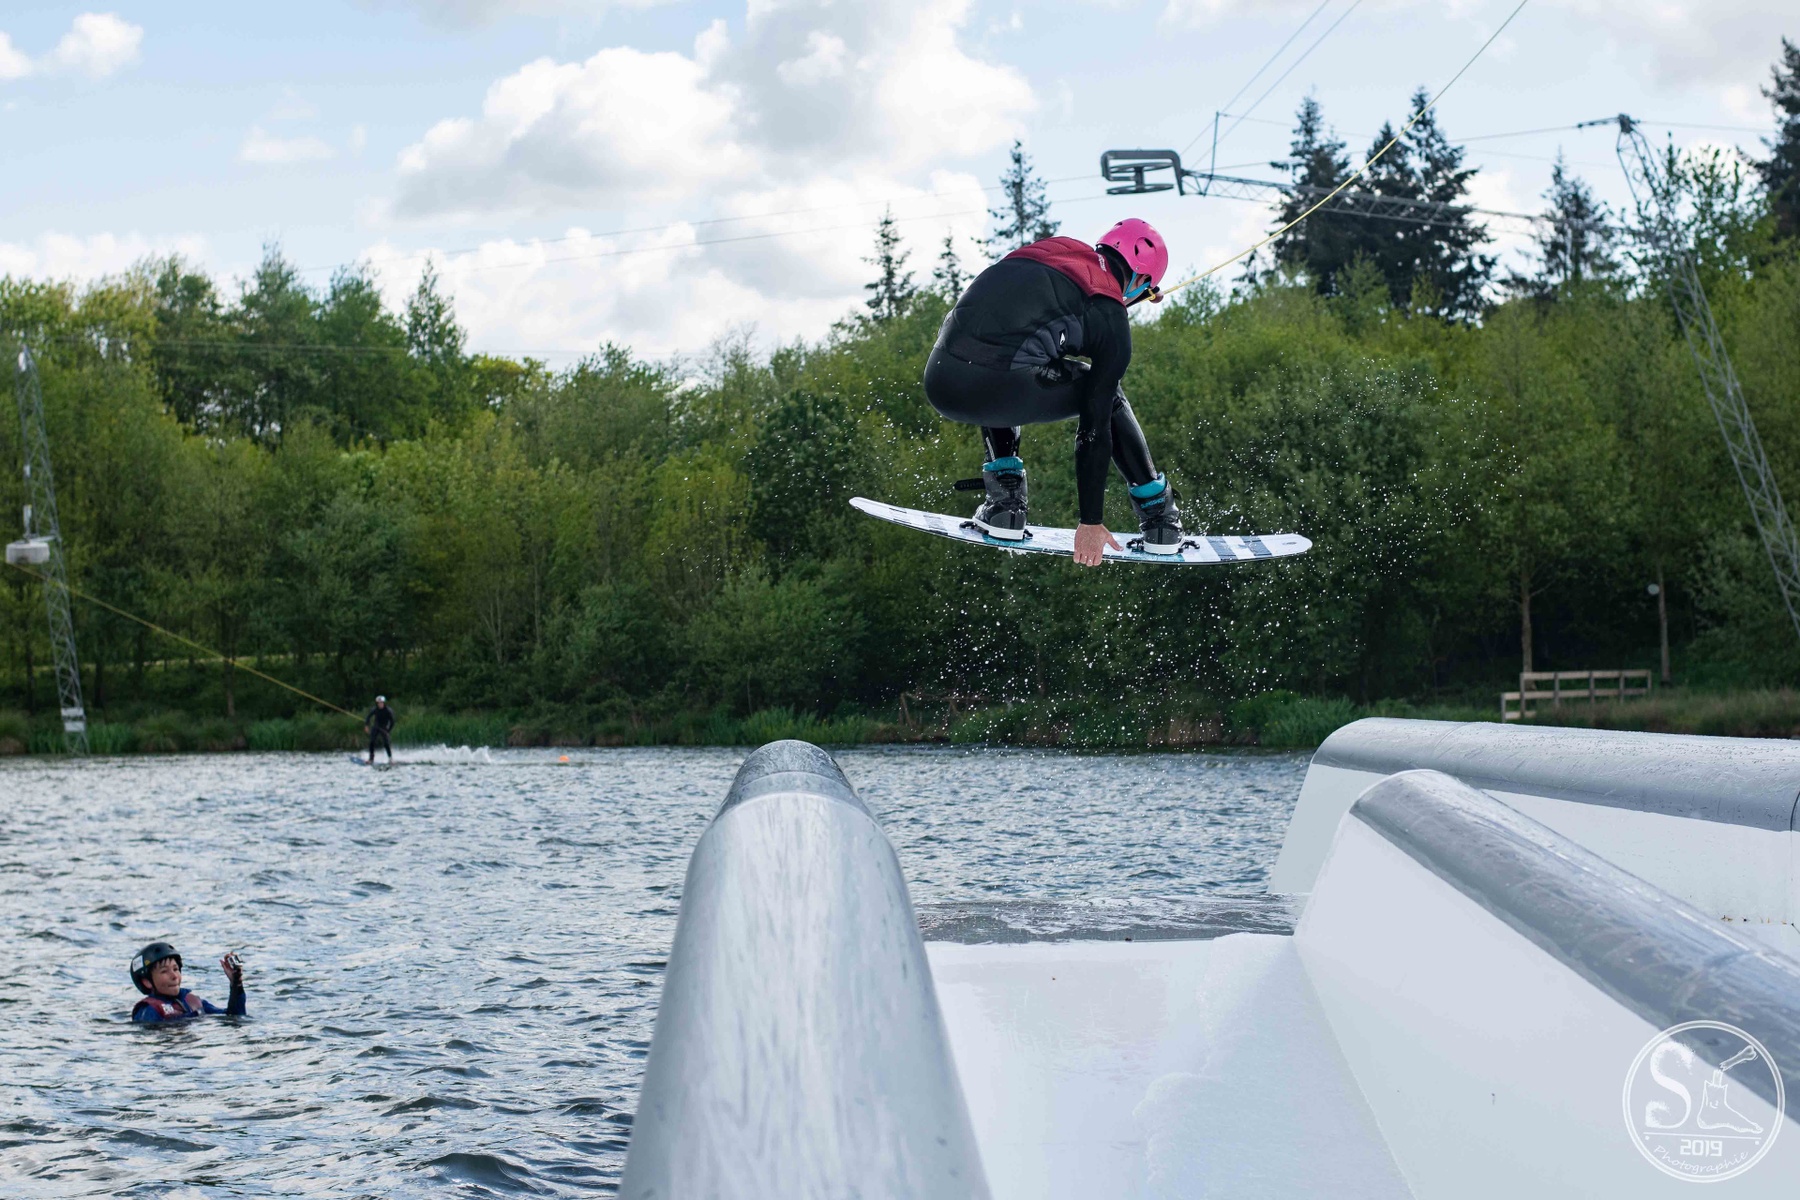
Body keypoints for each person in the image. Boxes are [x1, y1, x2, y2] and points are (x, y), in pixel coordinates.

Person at [923, 218, 1183, 566]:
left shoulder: (1058, 249)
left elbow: (1035, 312)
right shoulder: (1110, 316)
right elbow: (1095, 428)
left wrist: (1124, 300)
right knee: (1106, 396)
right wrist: (1091, 521)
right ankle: (1159, 518)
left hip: (943, 382)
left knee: (1011, 350)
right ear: (1142, 282)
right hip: (996, 387)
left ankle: (1006, 502)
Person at [130, 942, 247, 1022]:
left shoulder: (191, 1001)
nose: (174, 976)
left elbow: (234, 1017)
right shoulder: (148, 1011)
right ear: (147, 982)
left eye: (176, 969)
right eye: (164, 971)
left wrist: (236, 983)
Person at [365, 695, 396, 764]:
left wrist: (388, 730)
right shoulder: (375, 709)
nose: (380, 704)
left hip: (384, 728)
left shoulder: (388, 710)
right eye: (378, 703)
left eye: (381, 703)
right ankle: (371, 759)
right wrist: (366, 725)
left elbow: (392, 722)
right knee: (372, 742)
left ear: (384, 703)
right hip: (376, 727)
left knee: (386, 743)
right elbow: (368, 717)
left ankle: (390, 759)